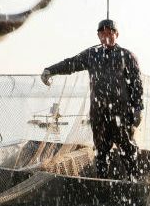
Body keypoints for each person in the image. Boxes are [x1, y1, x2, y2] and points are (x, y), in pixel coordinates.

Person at [40, 19, 143, 180]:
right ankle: (102, 185)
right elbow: (71, 63)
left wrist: (138, 109)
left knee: (128, 150)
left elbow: (137, 86)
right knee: (101, 152)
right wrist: (50, 70)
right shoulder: (92, 55)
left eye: (110, 32)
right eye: (102, 33)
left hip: (121, 115)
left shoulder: (127, 56)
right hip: (99, 115)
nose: (106, 36)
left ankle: (135, 183)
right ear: (98, 35)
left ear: (117, 34)